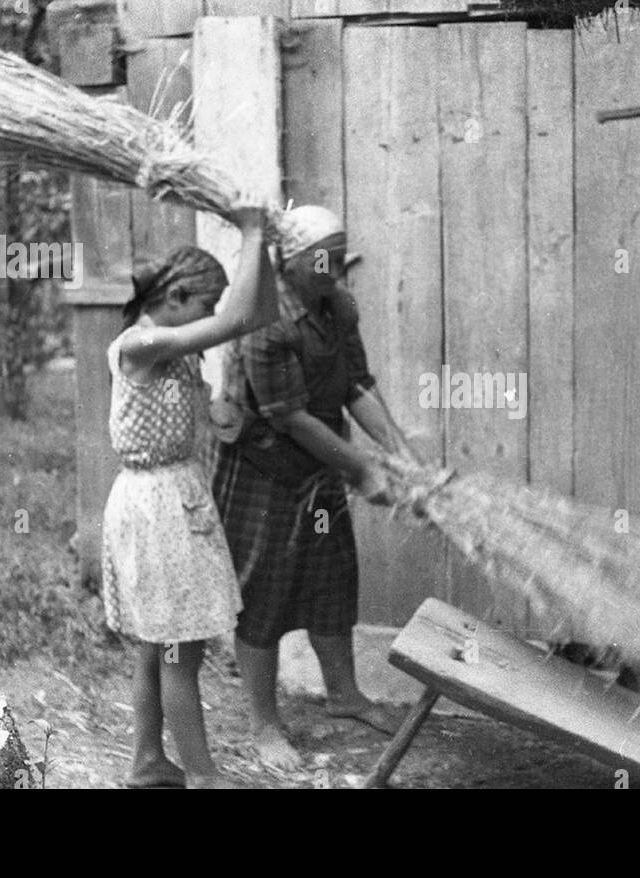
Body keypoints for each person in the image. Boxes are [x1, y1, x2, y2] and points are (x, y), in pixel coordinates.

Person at [211, 205, 413, 771]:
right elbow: (289, 417)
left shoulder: (338, 306)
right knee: (263, 593)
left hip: (321, 462)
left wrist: (405, 457)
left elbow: (355, 386)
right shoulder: (262, 318)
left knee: (331, 576)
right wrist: (364, 471)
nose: (334, 268)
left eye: (338, 256)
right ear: (290, 261)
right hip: (265, 466)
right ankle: (264, 723)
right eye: (322, 259)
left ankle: (345, 694)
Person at [101, 200, 276, 789]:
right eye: (204, 304)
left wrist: (263, 244)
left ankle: (149, 762)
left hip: (170, 500)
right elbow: (239, 322)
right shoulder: (140, 344)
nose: (210, 317)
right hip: (155, 509)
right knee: (180, 647)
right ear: (174, 299)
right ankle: (204, 777)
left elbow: (258, 312)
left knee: (159, 647)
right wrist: (250, 231)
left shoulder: (168, 346)